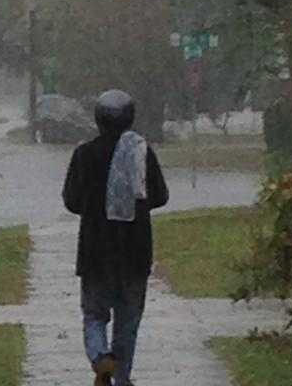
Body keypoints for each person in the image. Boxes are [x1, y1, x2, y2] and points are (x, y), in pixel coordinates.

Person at [61, 90, 169, 386]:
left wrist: (93, 204)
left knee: (94, 314)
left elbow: (71, 200)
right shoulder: (142, 152)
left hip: (95, 252)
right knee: (128, 319)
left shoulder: (84, 154)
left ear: (97, 119)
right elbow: (160, 196)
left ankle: (100, 357)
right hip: (135, 251)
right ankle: (121, 378)